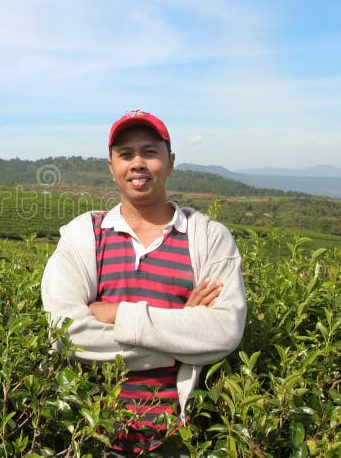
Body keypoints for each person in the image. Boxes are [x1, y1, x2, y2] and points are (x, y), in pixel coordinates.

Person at [41, 110, 247, 456]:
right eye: (125, 154)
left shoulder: (208, 238)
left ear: (170, 163)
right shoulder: (83, 237)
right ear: (111, 167)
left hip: (176, 440)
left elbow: (224, 331)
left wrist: (117, 312)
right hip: (90, 434)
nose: (137, 163)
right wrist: (180, 335)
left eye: (150, 152)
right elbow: (66, 333)